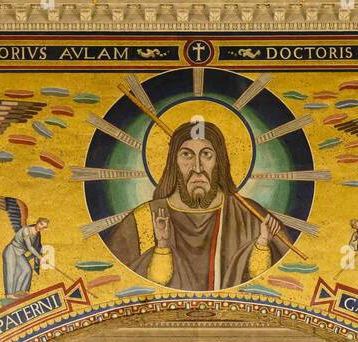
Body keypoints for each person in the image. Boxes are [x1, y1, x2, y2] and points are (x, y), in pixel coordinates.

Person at [103, 121, 291, 291]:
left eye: (207, 155)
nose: (197, 168)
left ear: (219, 162)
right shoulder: (145, 218)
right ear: (174, 163)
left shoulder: (251, 216)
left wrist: (262, 244)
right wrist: (161, 248)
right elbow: (116, 284)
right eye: (187, 155)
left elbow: (276, 282)